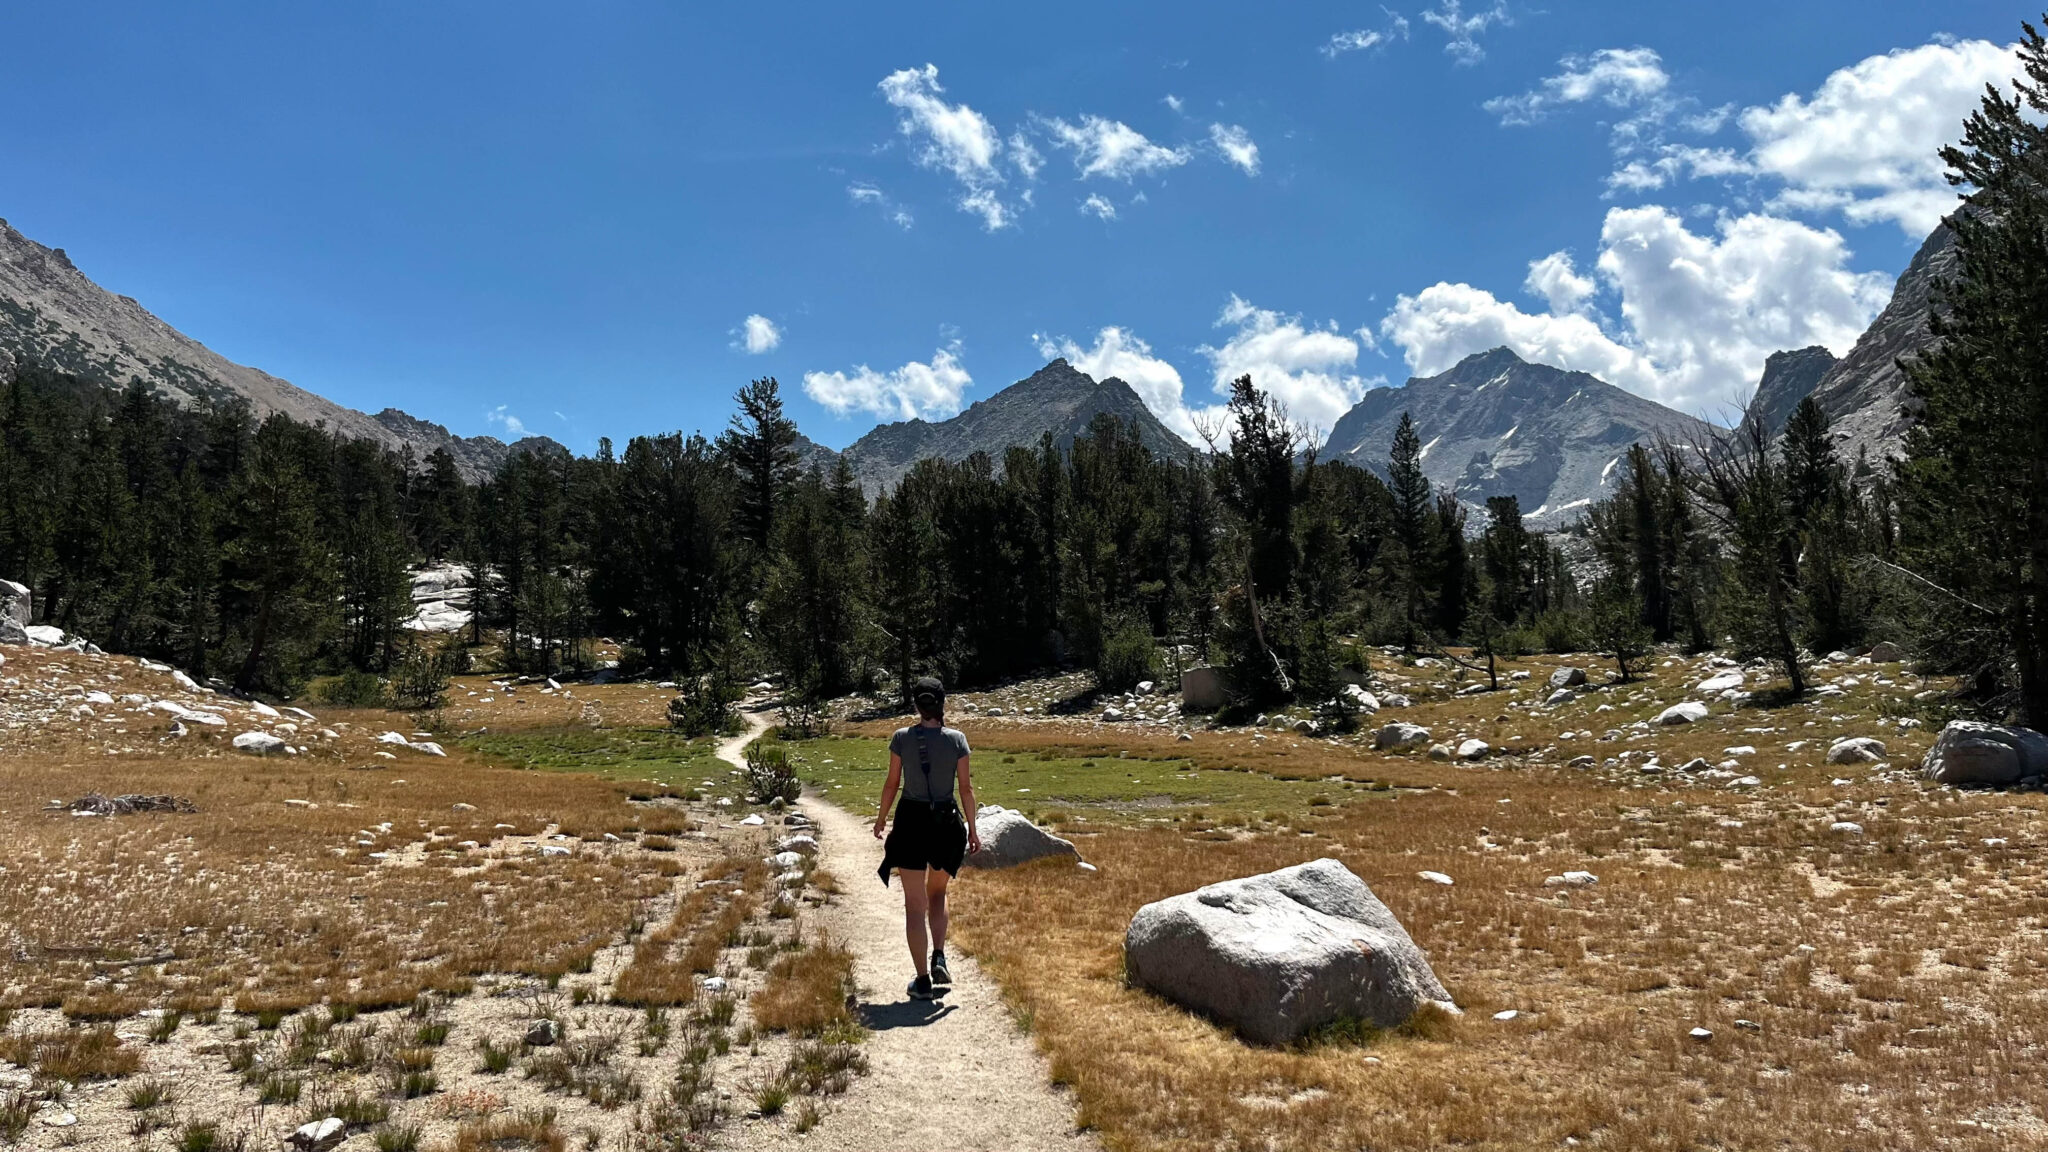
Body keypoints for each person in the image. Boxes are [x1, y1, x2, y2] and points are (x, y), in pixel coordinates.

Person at [873, 676, 981, 1001]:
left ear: (917, 705)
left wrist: (881, 819)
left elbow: (892, 783)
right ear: (942, 703)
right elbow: (965, 789)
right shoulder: (957, 740)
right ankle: (939, 956)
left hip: (910, 822)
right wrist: (973, 829)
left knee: (914, 905)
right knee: (938, 892)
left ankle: (922, 981)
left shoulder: (901, 738)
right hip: (945, 823)